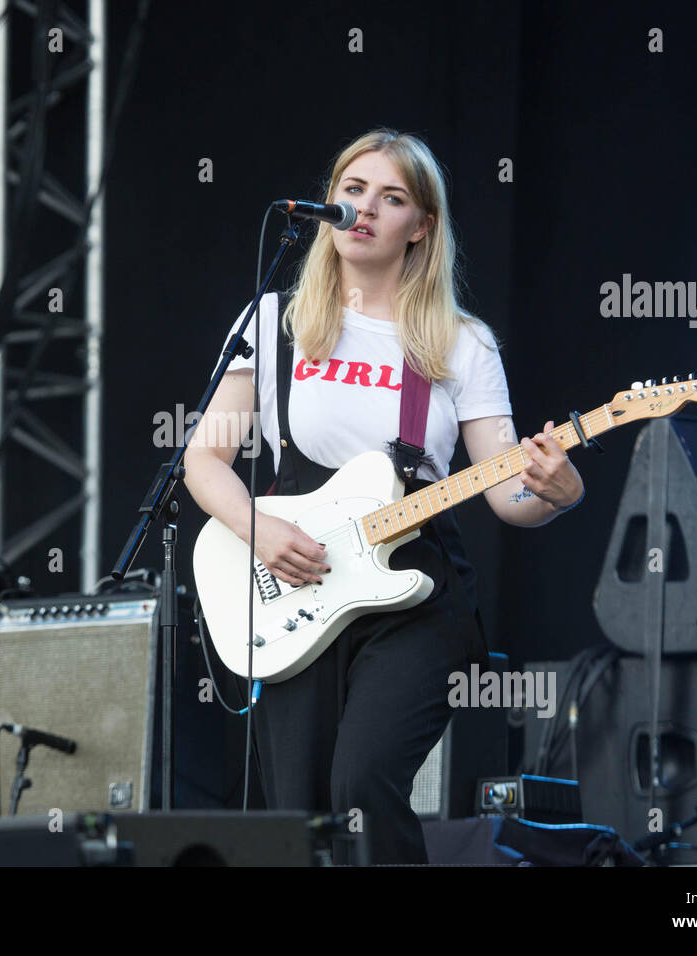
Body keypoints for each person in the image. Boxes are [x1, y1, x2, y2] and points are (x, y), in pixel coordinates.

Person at [183, 129, 584, 864]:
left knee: (365, 778)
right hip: (293, 574)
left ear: (421, 227)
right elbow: (202, 458)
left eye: (391, 197)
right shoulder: (271, 323)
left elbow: (507, 494)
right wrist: (258, 532)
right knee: (299, 817)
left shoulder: (462, 343)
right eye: (354, 189)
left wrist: (557, 490)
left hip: (416, 590)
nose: (365, 209)